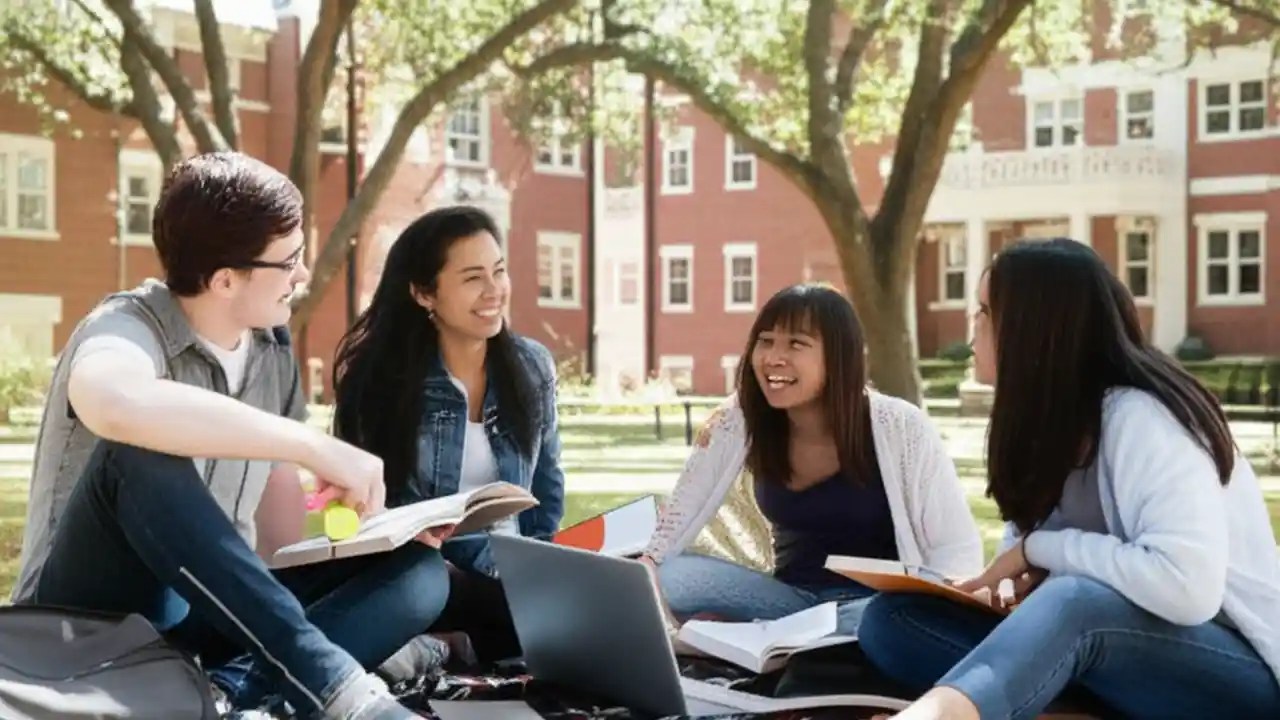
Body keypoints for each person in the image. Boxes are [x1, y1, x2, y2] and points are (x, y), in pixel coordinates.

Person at [12, 152, 438, 720]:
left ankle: (232, 695)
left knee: (416, 575)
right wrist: (311, 443)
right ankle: (338, 690)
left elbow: (267, 556)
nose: (303, 275)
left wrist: (373, 536)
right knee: (136, 453)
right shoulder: (126, 328)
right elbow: (114, 401)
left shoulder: (270, 354)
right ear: (225, 279)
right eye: (289, 261)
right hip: (78, 627)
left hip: (198, 623)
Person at [857, 238, 1280, 720]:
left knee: (1076, 604)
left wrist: (1044, 553)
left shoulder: (1141, 417)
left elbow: (1188, 588)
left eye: (984, 312)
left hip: (1239, 672)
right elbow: (1036, 569)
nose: (971, 328)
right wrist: (1005, 589)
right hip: (1104, 659)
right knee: (894, 620)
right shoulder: (1041, 426)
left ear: (1035, 327)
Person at [638, 283, 982, 635]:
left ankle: (783, 637)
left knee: (880, 621)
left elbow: (955, 550)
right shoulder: (738, 420)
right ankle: (790, 637)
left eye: (796, 344)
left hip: (876, 608)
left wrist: (942, 618)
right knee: (673, 577)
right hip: (788, 603)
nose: (773, 357)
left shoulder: (902, 428)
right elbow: (684, 507)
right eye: (766, 341)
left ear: (837, 357)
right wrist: (649, 563)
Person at [331, 205, 566, 669]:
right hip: (425, 570)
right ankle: (450, 641)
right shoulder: (380, 383)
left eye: (498, 271)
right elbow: (378, 517)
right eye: (473, 277)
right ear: (424, 293)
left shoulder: (531, 367)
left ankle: (445, 647)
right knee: (430, 583)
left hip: (509, 575)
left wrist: (541, 570)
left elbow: (545, 488)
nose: (494, 290)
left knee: (595, 602)